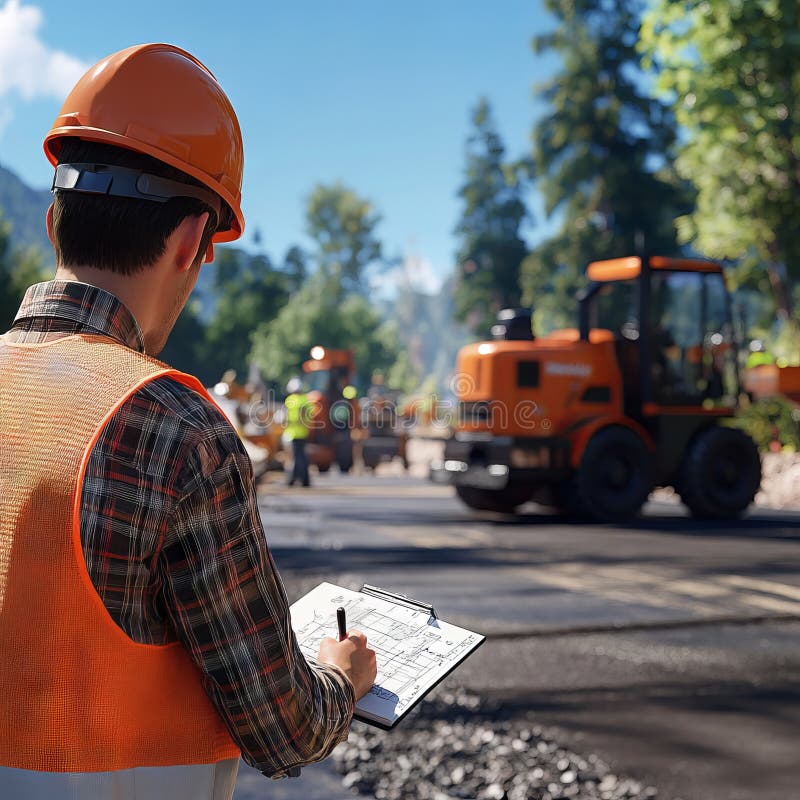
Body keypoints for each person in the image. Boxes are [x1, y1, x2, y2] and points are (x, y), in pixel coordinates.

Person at [0, 44, 376, 800]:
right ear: (188, 243)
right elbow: (285, 728)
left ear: (52, 221)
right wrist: (339, 676)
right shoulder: (172, 427)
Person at [284, 376, 313, 487]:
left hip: (293, 433)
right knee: (302, 456)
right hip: (304, 432)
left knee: (296, 457)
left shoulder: (290, 400)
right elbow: (309, 416)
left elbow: (286, 417)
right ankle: (304, 479)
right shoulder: (306, 399)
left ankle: (295, 478)